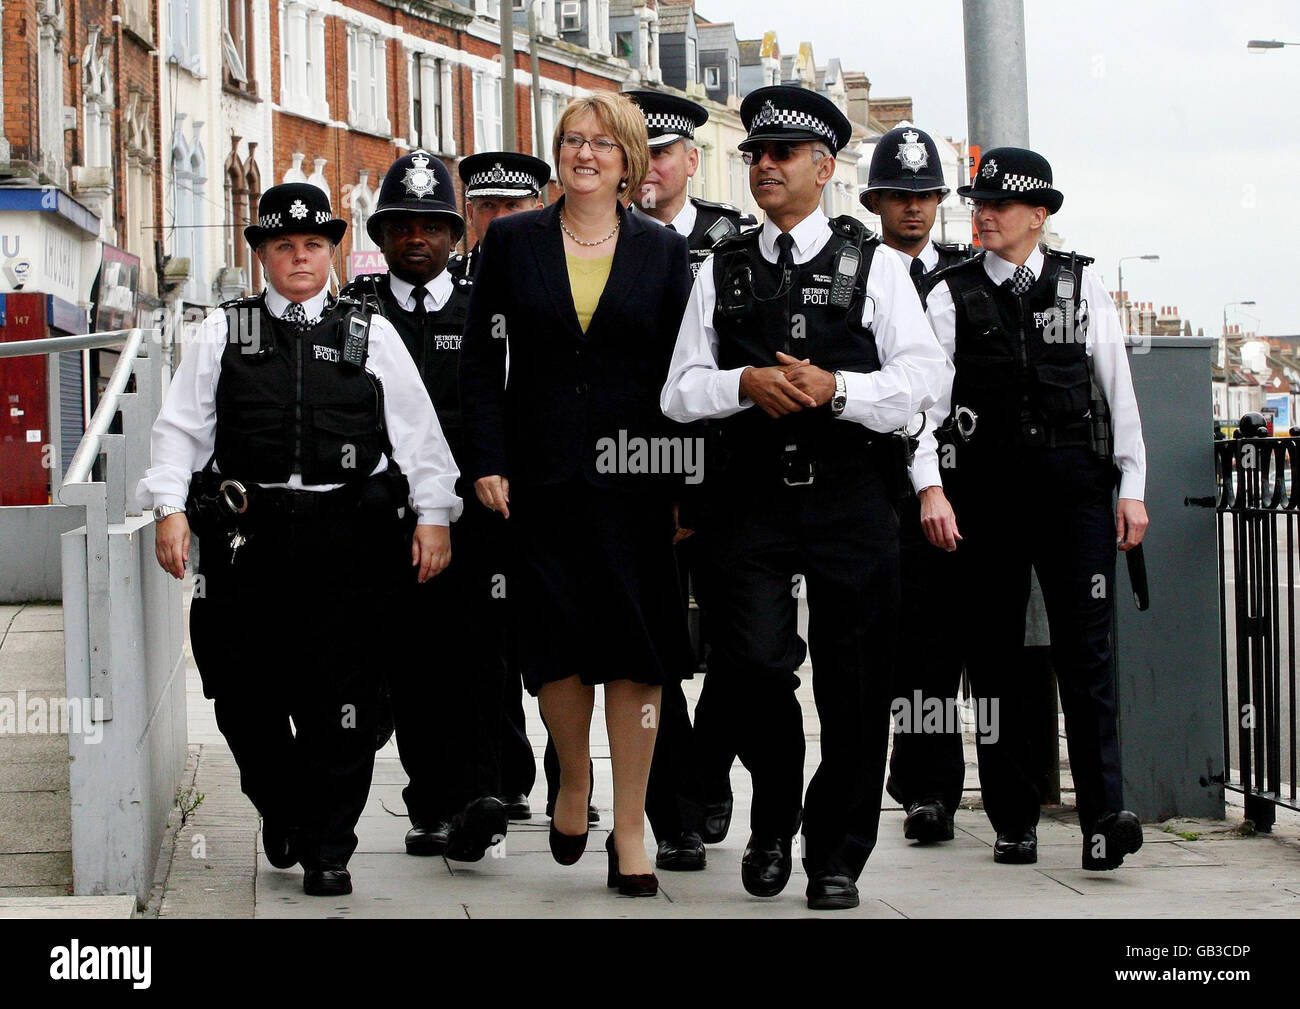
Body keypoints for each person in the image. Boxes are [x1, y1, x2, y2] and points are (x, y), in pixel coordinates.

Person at [661, 86, 951, 910]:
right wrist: (742, 383)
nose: (762, 166)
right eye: (754, 153)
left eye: (781, 154)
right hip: (750, 499)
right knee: (752, 666)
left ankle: (836, 856)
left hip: (854, 496)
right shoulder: (721, 269)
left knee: (856, 688)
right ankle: (771, 821)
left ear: (825, 169)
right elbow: (678, 392)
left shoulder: (879, 268)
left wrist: (840, 390)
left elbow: (925, 380)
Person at [139, 182, 461, 897]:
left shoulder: (369, 332)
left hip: (347, 537)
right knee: (242, 692)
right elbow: (179, 434)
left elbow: (420, 438)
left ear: (332, 250)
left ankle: (328, 846)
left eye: (313, 243)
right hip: (248, 540)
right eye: (283, 245)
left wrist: (434, 516)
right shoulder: (222, 332)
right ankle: (281, 806)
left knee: (341, 700)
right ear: (261, 255)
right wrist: (169, 506)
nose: (299, 257)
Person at [459, 91, 695, 897]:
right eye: (570, 141)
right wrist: (487, 457)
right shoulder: (514, 243)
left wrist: (682, 481)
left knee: (639, 652)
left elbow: (684, 376)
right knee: (555, 650)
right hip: (542, 479)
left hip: (639, 480)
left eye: (600, 143)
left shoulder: (665, 253)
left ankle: (631, 823)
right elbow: (479, 368)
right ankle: (571, 779)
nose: (583, 154)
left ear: (628, 160)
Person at [916, 147, 1149, 870]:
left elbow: (1117, 390)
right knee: (994, 657)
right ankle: (1013, 817)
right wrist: (931, 484)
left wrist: (1133, 484)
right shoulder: (949, 292)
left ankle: (1104, 814)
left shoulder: (1082, 286)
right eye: (978, 203)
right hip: (984, 495)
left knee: (1088, 651)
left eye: (999, 205)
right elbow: (922, 404)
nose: (983, 214)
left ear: (1038, 215)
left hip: (1073, 492)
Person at [340, 151, 508, 863]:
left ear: (454, 235)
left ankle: (479, 796)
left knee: (479, 658)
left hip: (478, 514)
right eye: (401, 225)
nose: (417, 238)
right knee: (410, 665)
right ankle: (431, 803)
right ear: (381, 237)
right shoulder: (356, 317)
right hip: (389, 519)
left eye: (432, 225)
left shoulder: (485, 312)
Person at [626, 88, 757, 871]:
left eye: (664, 153)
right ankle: (674, 810)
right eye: (639, 153)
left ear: (690, 161)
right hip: (642, 466)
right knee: (653, 648)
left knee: (749, 640)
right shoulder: (605, 239)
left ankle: (707, 765)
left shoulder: (730, 241)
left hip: (728, 468)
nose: (651, 169)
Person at [453, 152, 601, 828]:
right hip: (483, 488)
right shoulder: (457, 288)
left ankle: (566, 771)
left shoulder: (564, 275)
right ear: (470, 215)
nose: (500, 220)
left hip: (560, 482)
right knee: (488, 637)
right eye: (487, 208)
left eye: (514, 208)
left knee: (561, 634)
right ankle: (502, 775)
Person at [860, 123, 974, 844]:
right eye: (900, 196)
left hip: (955, 484)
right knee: (879, 642)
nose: (913, 208)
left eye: (926, 195)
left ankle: (933, 788)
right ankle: (897, 778)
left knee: (939, 642)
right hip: (875, 479)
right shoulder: (852, 272)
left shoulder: (961, 277)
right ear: (876, 200)